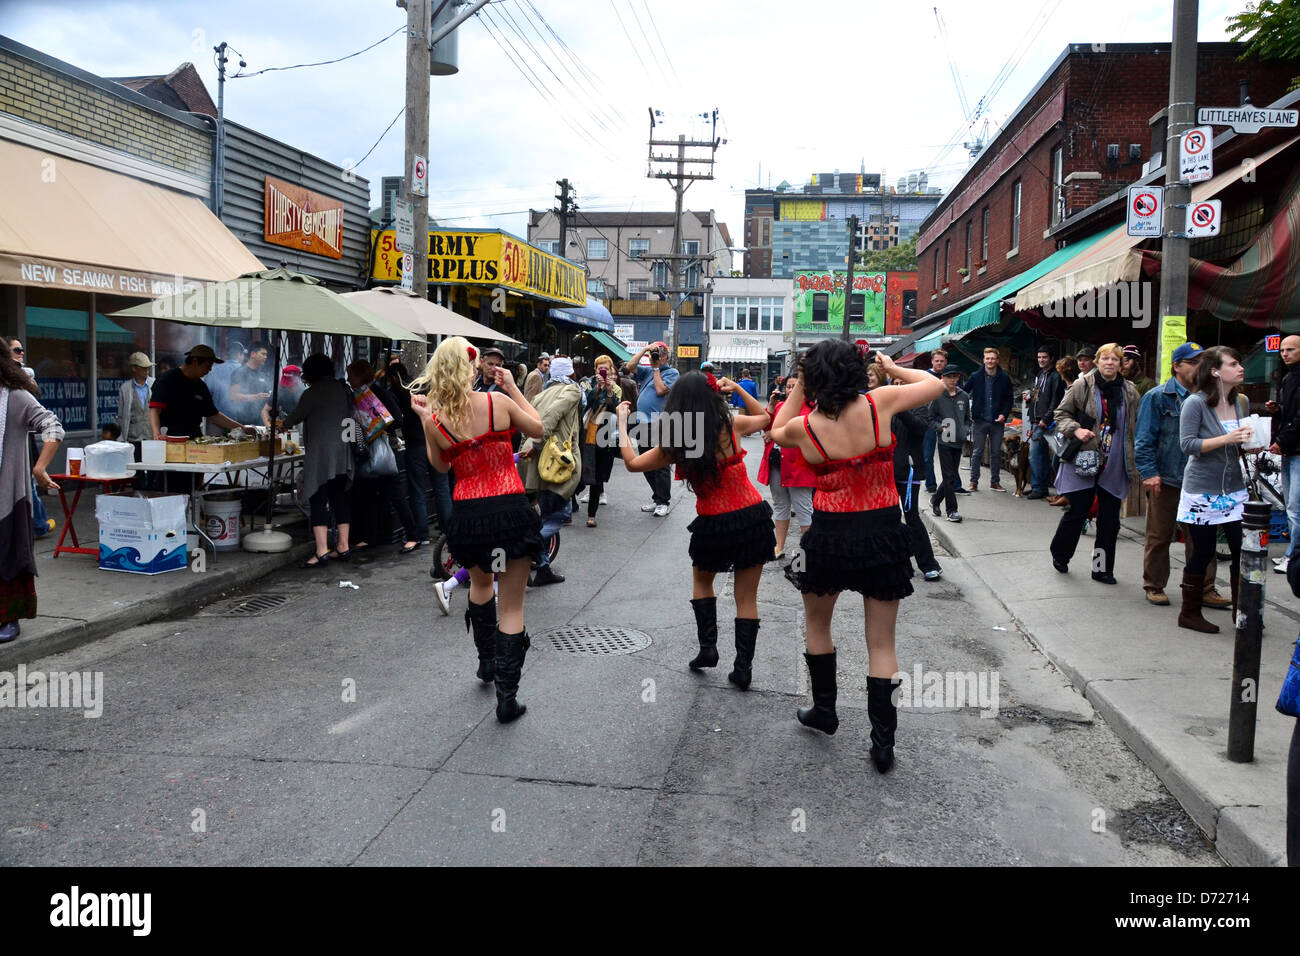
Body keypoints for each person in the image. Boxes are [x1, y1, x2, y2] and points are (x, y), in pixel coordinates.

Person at [772, 341, 943, 772]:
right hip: (883, 530)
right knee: (882, 642)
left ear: (815, 377)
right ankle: (882, 744)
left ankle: (825, 712)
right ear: (855, 371)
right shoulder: (879, 402)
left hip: (829, 534)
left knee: (816, 622)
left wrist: (802, 385)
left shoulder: (805, 427)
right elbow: (934, 384)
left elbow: (777, 429)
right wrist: (891, 367)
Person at [410, 336, 544, 723]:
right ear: (469, 369)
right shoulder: (497, 403)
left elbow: (439, 467)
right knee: (513, 604)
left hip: (468, 513)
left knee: (481, 586)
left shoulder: (436, 419)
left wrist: (423, 419)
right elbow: (536, 428)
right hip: (509, 507)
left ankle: (487, 662)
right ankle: (507, 697)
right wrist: (514, 388)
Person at [618, 371, 774, 689]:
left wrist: (621, 422)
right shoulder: (730, 425)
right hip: (751, 515)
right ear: (712, 397)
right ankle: (743, 668)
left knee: (703, 583)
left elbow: (633, 463)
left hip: (713, 523)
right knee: (747, 597)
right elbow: (766, 417)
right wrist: (739, 391)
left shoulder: (676, 441)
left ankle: (708, 648)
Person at [1134, 342, 1231, 611]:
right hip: (1166, 477)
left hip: (1200, 479)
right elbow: (1143, 439)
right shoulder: (1157, 397)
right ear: (1177, 366)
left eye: (1203, 361)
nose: (1201, 366)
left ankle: (1204, 588)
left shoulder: (1208, 397)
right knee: (1159, 535)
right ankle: (1154, 585)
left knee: (1203, 538)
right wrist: (1149, 472)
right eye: (1194, 362)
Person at [1176, 345, 1255, 632]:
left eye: (1239, 363)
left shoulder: (1241, 402)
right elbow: (1187, 445)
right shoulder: (1195, 403)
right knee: (1203, 549)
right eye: (1233, 364)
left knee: (1242, 548)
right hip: (1203, 489)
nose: (1240, 368)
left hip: (1235, 489)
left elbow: (1239, 443)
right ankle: (1189, 613)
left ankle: (1243, 611)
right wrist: (1227, 439)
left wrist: (1251, 442)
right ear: (1215, 371)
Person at [1049, 343, 1140, 584]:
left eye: (1115, 359)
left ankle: (1101, 569)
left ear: (1121, 364)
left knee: (1110, 520)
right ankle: (1061, 554)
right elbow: (1061, 414)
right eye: (1105, 358)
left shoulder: (1130, 391)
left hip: (1115, 462)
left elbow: (1136, 426)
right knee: (1078, 511)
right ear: (1097, 362)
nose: (1110, 363)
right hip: (1085, 458)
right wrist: (1076, 430)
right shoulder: (1083, 385)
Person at [0, 340, 63, 644]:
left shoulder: (15, 397)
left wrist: (39, 468)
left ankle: (8, 618)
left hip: (8, 498)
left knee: (9, 559)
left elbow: (52, 426)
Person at [277, 354, 355, 568]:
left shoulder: (311, 393)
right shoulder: (343, 389)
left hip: (321, 454)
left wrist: (281, 424)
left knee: (318, 498)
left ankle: (321, 551)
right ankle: (344, 545)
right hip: (343, 451)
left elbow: (294, 418)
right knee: (339, 498)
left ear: (311, 373)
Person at [345, 360, 421, 556]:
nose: (348, 379)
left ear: (361, 375)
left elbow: (398, 417)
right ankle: (370, 537)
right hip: (365, 451)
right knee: (367, 495)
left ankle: (414, 535)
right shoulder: (354, 395)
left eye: (351, 374)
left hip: (384, 449)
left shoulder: (377, 392)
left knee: (395, 493)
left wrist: (376, 428)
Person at [518, 356, 582, 586]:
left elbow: (527, 422)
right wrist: (535, 444)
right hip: (556, 463)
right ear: (570, 374)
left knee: (543, 516)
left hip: (534, 463)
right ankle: (524, 547)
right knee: (560, 514)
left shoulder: (539, 395)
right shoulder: (572, 391)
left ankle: (543, 568)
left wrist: (526, 447)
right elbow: (551, 416)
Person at [883, 377, 943, 582]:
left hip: (910, 472)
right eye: (895, 383)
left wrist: (900, 408)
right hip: (887, 470)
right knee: (888, 517)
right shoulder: (885, 408)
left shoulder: (918, 407)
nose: (899, 387)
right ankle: (894, 560)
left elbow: (919, 428)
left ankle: (928, 564)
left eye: (903, 383)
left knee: (912, 516)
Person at [622, 342, 679, 516]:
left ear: (666, 357)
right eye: (655, 354)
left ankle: (664, 501)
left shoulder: (672, 373)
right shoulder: (648, 370)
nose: (657, 358)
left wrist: (655, 369)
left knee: (660, 463)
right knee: (646, 463)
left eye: (660, 355)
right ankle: (657, 498)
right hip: (643, 422)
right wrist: (645, 350)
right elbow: (629, 367)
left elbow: (661, 390)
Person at [149, 344, 249, 441]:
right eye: (207, 366)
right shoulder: (167, 379)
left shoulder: (201, 386)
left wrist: (241, 427)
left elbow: (213, 415)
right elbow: (155, 409)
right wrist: (157, 434)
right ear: (195, 361)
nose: (210, 370)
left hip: (196, 438)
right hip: (171, 437)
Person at [759, 384, 814, 560]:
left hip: (800, 467)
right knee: (780, 505)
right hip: (777, 464)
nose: (791, 390)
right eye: (789, 387)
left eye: (795, 386)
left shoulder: (812, 409)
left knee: (803, 508)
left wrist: (774, 434)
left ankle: (808, 551)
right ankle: (779, 546)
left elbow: (801, 432)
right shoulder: (781, 406)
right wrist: (771, 406)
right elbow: (765, 425)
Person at [10, 340, 54, 539]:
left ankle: (37, 524)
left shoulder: (21, 383)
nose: (21, 353)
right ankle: (36, 524)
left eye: (21, 350)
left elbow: (51, 425)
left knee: (27, 483)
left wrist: (40, 467)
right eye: (16, 350)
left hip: (20, 442)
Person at [1269, 334, 1300, 575]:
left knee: (1294, 507)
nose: (1285, 353)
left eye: (1291, 349)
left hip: (1296, 450)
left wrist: (1281, 440)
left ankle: (1293, 556)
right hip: (1291, 450)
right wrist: (1277, 409)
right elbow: (1291, 413)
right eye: (1282, 350)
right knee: (1291, 506)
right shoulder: (1288, 377)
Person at [579, 355, 620, 527]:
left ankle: (591, 515)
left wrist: (608, 389)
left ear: (611, 371)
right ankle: (569, 503)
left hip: (607, 436)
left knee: (598, 477)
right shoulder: (589, 385)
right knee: (582, 473)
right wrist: (598, 388)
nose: (603, 372)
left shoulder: (616, 388)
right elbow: (587, 404)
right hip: (589, 435)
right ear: (595, 371)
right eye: (600, 369)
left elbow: (615, 408)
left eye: (607, 369)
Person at [964, 347, 1013, 492]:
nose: (990, 361)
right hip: (979, 420)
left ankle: (995, 482)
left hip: (997, 421)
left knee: (995, 453)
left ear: (997, 360)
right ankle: (973, 482)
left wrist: (1004, 414)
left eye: (993, 358)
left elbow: (1009, 398)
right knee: (977, 452)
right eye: (987, 358)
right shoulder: (975, 376)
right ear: (983, 360)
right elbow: (963, 392)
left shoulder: (1004, 377)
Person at [928, 366, 970, 523]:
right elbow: (930, 418)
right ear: (943, 378)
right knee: (949, 476)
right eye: (949, 376)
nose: (952, 379)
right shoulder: (937, 396)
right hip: (944, 441)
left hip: (958, 442)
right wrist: (940, 428)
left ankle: (936, 499)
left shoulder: (964, 396)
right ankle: (952, 510)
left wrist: (965, 429)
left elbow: (968, 417)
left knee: (950, 476)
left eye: (955, 376)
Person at [1027, 346, 1064, 499]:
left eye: (1044, 357)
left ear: (1051, 359)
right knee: (1037, 455)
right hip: (1036, 419)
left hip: (1047, 421)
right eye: (1039, 357)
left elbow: (1056, 400)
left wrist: (1046, 418)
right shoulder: (1041, 374)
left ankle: (1040, 487)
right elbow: (1037, 396)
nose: (1041, 360)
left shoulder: (1055, 377)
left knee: (1038, 455)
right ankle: (1038, 485)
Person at [1046, 357, 1080, 507]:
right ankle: (1063, 492)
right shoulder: (1068, 387)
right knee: (1058, 461)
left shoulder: (1075, 387)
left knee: (1061, 462)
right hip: (1065, 428)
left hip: (1071, 430)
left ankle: (1066, 494)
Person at [922, 349, 949, 494]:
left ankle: (952, 484)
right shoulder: (925, 376)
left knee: (949, 455)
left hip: (947, 420)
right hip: (929, 420)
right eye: (937, 361)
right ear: (932, 361)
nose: (939, 363)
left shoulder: (950, 376)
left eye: (942, 361)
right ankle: (931, 484)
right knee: (928, 455)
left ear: (946, 362)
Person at [228, 341, 273, 424]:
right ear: (253, 354)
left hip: (262, 421)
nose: (265, 357)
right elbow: (233, 396)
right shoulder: (240, 372)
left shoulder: (263, 374)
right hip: (245, 421)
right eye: (263, 354)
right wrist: (256, 397)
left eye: (266, 355)